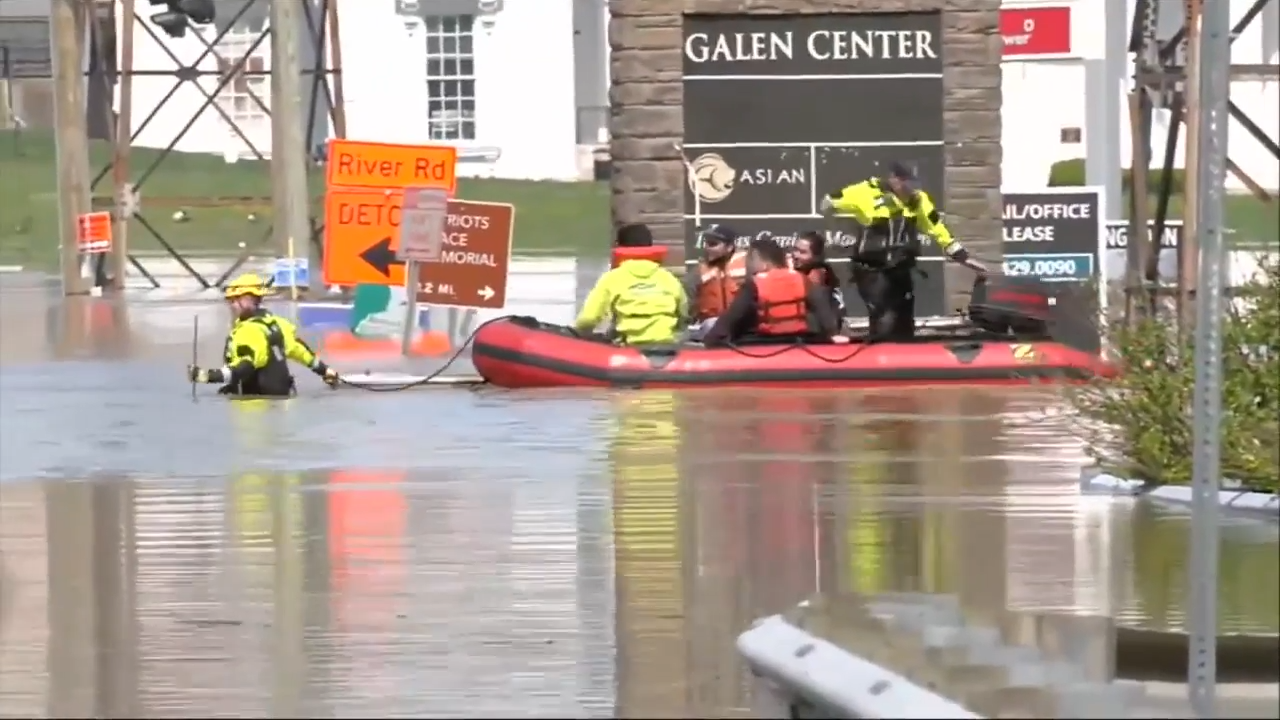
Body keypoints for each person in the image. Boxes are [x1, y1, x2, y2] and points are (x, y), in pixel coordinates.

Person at [821, 162, 987, 340]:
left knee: (904, 321)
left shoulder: (919, 201)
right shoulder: (866, 192)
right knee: (884, 319)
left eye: (915, 184)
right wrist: (836, 225)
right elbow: (828, 202)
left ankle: (904, 359)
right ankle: (879, 356)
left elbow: (937, 228)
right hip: (871, 270)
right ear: (894, 179)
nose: (912, 189)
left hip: (900, 269)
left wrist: (962, 257)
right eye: (907, 183)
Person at [188, 273, 341, 396]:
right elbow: (300, 352)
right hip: (283, 400)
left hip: (255, 408)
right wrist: (325, 371)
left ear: (247, 299)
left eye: (233, 301)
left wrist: (207, 376)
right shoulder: (277, 323)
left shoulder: (248, 331)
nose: (231, 306)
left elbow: (245, 366)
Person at [702, 237, 844, 347]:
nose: (747, 265)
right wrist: (833, 335)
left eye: (749, 260)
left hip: (759, 345)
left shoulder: (753, 285)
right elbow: (826, 317)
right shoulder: (802, 280)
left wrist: (711, 342)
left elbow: (724, 325)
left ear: (759, 259)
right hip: (798, 343)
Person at [575, 223, 688, 345]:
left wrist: (578, 337)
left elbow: (587, 319)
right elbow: (684, 313)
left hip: (629, 347)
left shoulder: (612, 278)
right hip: (665, 345)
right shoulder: (668, 278)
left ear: (620, 247)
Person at [689, 223, 749, 323]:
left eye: (713, 244)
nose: (707, 248)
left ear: (729, 247)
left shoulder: (749, 265)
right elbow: (687, 301)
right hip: (711, 326)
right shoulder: (699, 271)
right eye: (706, 244)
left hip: (743, 324)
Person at [790, 230, 844, 317]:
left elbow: (802, 294)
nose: (796, 255)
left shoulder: (817, 273)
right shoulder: (802, 268)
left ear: (816, 257)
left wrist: (788, 272)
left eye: (803, 252)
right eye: (795, 249)